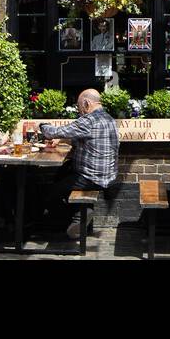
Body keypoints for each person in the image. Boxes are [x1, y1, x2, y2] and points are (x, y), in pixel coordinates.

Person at [39, 88, 120, 238]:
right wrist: (63, 140)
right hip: (108, 175)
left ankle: (77, 218)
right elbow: (85, 139)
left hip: (91, 177)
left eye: (79, 106)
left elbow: (53, 132)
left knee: (51, 194)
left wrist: (41, 125)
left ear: (87, 103)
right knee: (63, 173)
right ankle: (81, 214)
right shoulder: (109, 119)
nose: (78, 110)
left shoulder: (89, 120)